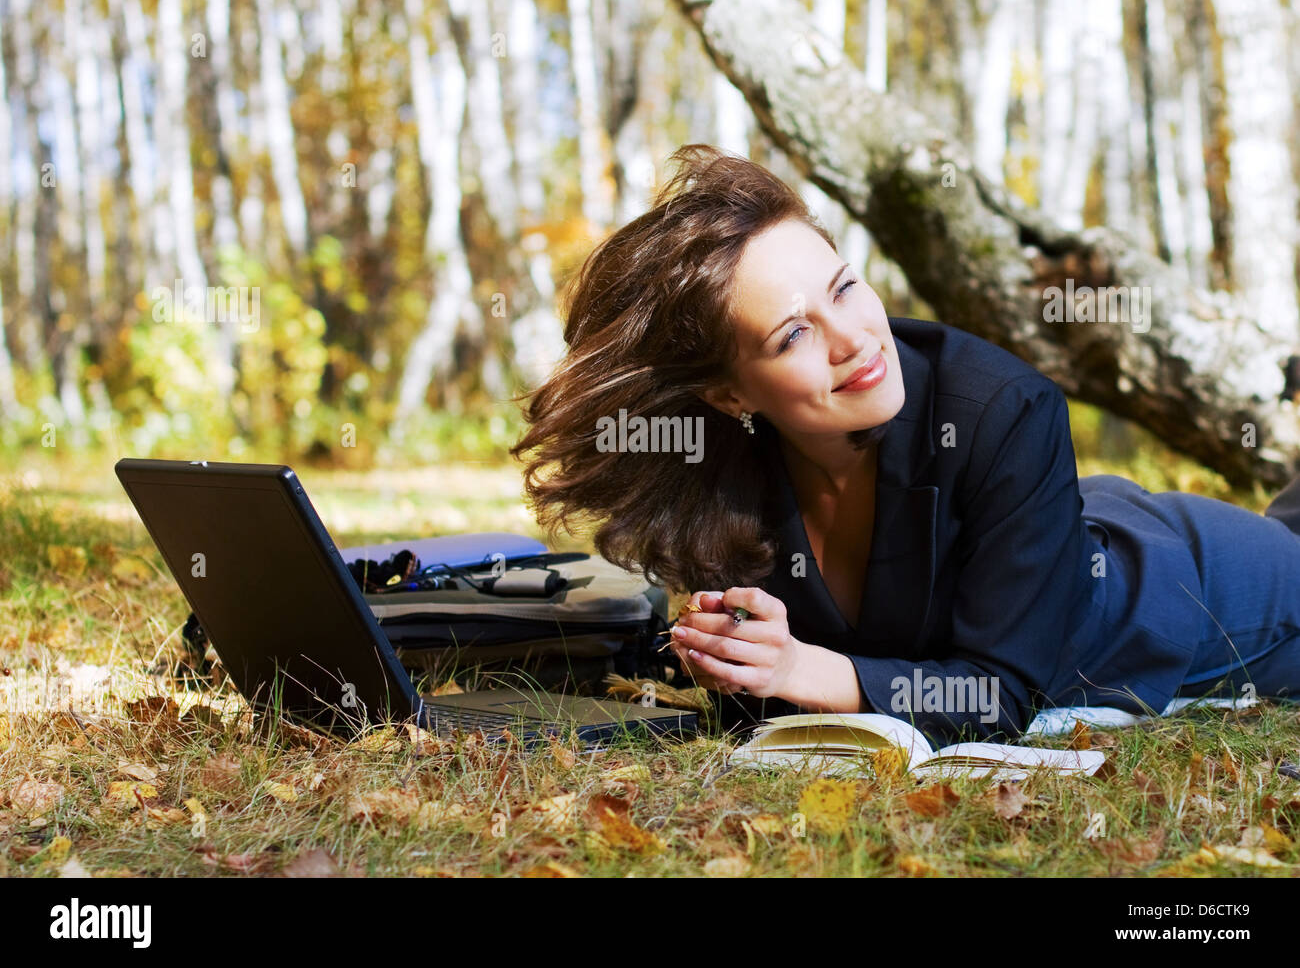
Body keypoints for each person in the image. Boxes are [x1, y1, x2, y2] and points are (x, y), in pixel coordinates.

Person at [509, 143, 1300, 746]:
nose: (855, 338)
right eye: (793, 335)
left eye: (846, 286)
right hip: (1066, 531)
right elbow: (777, 690)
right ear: (729, 394)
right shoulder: (721, 465)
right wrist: (736, 656)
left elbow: (997, 697)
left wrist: (804, 669)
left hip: (1211, 596)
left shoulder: (1002, 409)